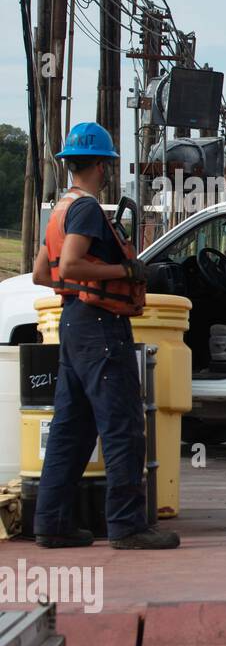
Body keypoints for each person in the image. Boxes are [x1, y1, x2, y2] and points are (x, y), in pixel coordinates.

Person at [32, 121, 179, 550]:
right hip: (99, 327)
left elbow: (45, 272)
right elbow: (74, 264)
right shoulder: (87, 210)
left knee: (71, 429)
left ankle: (53, 523)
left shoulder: (60, 209)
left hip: (75, 324)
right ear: (102, 165)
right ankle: (127, 526)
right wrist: (124, 271)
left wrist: (84, 285)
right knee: (123, 426)